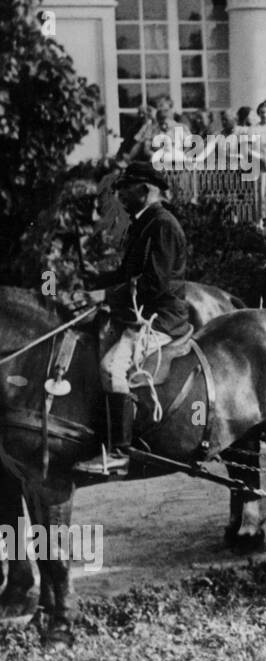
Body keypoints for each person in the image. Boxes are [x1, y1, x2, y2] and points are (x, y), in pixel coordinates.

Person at [73, 161, 189, 474]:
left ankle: (120, 452)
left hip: (161, 316)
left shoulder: (162, 224)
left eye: (125, 187)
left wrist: (106, 296)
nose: (120, 193)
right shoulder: (143, 221)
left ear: (145, 189)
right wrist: (92, 282)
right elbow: (127, 274)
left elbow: (155, 282)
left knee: (112, 367)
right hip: (140, 311)